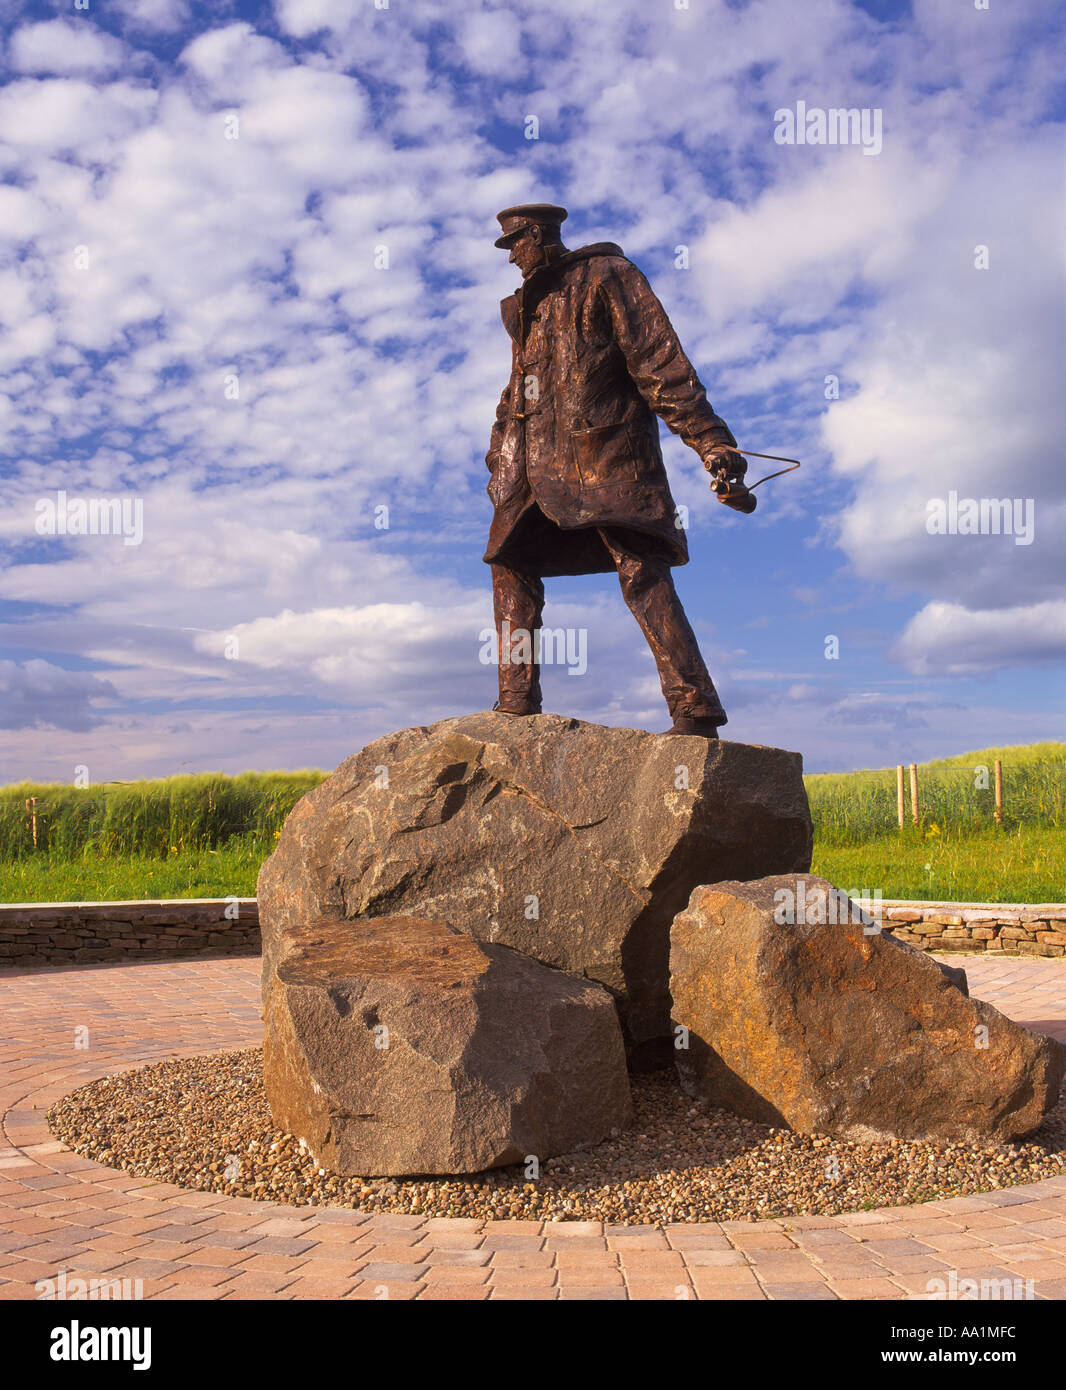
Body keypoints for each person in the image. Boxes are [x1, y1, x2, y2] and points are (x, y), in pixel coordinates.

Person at [484, 203, 751, 736]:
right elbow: (518, 390)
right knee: (509, 564)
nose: (512, 257)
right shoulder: (528, 308)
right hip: (534, 471)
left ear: (537, 235)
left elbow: (661, 364)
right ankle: (515, 704)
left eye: (515, 244)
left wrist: (711, 441)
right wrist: (500, 455)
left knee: (641, 569)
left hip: (605, 457)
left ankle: (693, 705)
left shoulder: (608, 276)